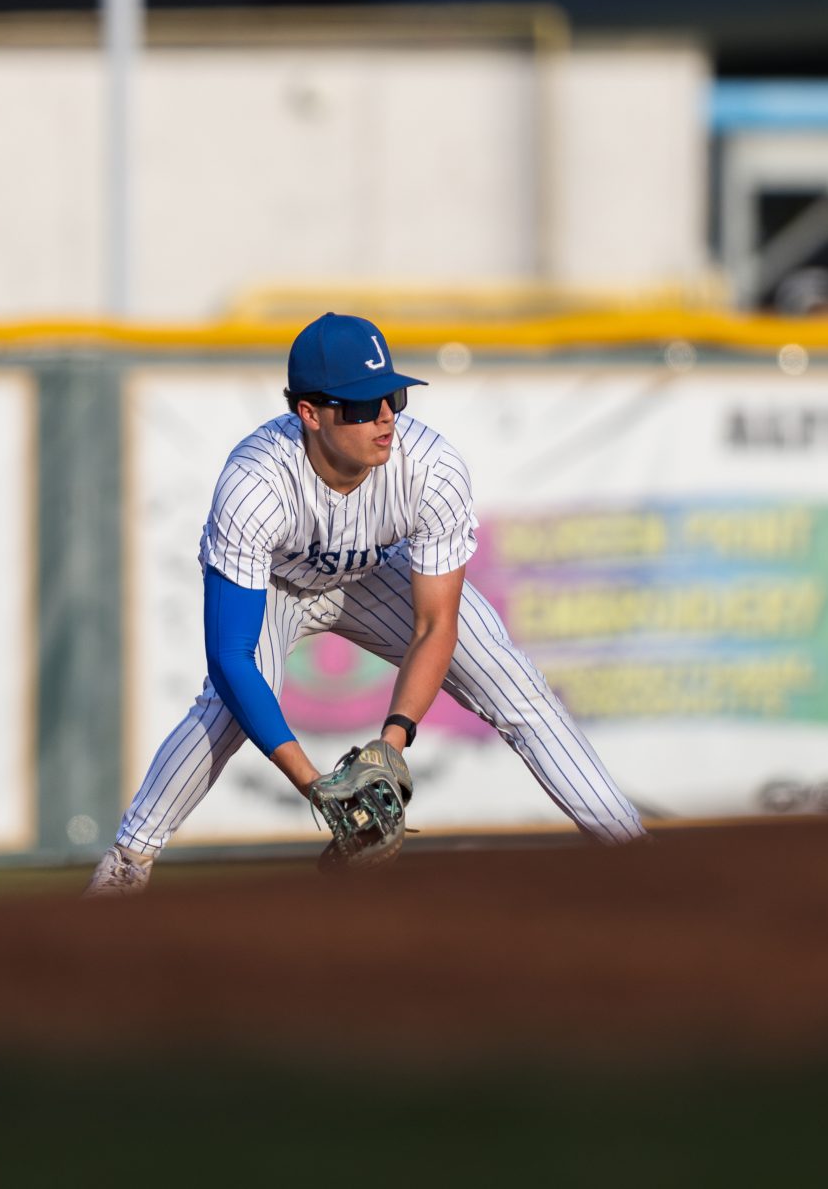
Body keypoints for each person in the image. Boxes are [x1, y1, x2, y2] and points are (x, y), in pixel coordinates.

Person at [86, 313, 648, 895]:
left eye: (392, 397)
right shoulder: (256, 482)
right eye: (360, 405)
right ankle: (128, 863)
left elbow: (436, 625)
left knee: (512, 680)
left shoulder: (429, 468)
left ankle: (634, 854)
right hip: (277, 587)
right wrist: (314, 786)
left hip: (375, 575)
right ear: (309, 413)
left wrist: (392, 743)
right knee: (226, 705)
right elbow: (231, 656)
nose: (384, 417)